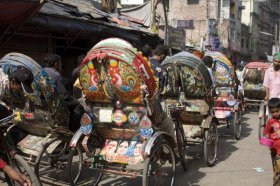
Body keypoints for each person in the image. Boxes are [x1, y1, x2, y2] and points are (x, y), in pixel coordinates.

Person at [44, 53, 85, 131]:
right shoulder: (56, 75)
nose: (60, 65)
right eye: (60, 63)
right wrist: (75, 100)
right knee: (78, 106)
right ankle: (72, 129)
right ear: (56, 64)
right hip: (56, 103)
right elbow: (64, 95)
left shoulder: (41, 72)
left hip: (46, 100)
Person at [149, 44, 175, 139]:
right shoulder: (162, 70)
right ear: (163, 56)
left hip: (140, 102)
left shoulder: (144, 65)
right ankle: (172, 150)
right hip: (155, 104)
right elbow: (164, 90)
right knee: (169, 126)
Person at [263, 98, 280, 185]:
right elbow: (266, 132)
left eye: (277, 111)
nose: (275, 114)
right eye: (273, 112)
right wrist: (266, 138)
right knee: (277, 170)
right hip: (275, 150)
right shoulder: (270, 121)